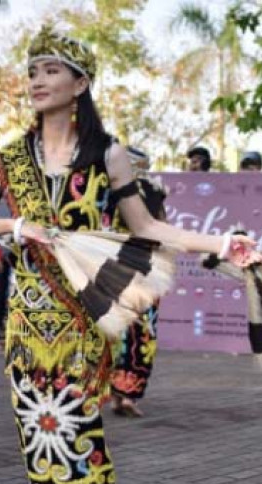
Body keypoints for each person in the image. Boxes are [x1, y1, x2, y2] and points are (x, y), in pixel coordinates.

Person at [0, 26, 259, 484]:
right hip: (26, 322)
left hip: (83, 316)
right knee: (38, 433)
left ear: (80, 83)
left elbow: (147, 226)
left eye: (51, 71)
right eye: (33, 71)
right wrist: (17, 224)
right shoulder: (8, 159)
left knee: (75, 425)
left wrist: (219, 243)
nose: (37, 81)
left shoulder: (108, 156)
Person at [107, 146, 168, 418]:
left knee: (115, 329)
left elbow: (102, 226)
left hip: (116, 264)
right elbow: (163, 228)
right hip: (146, 267)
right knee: (142, 331)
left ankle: (114, 392)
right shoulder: (155, 191)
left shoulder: (110, 191)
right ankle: (128, 394)